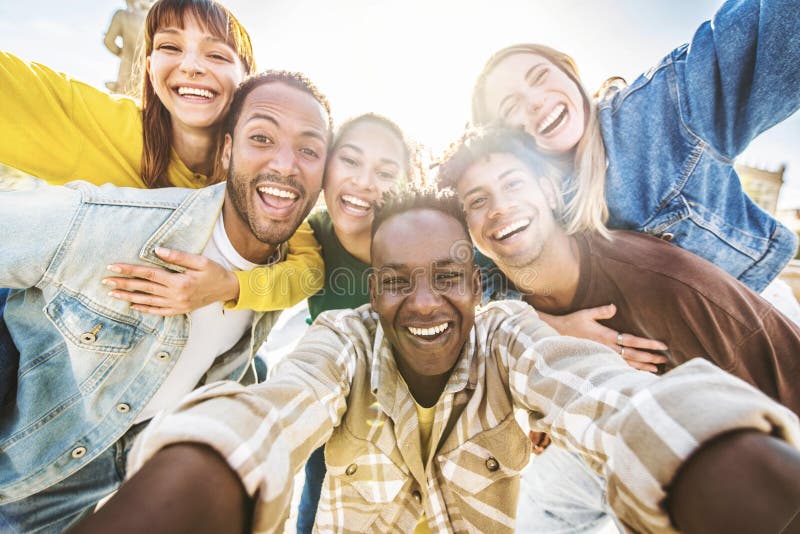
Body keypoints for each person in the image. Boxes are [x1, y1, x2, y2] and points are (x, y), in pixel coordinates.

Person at [72, 189, 800, 534]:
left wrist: (735, 471)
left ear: (476, 284)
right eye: (397, 280)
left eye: (447, 276)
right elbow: (272, 412)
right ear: (373, 289)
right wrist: (189, 479)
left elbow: (611, 401)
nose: (424, 303)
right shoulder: (346, 340)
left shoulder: (508, 334)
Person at [0, 70, 331, 533]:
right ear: (227, 150)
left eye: (309, 150)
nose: (286, 164)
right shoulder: (114, 226)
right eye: (262, 138)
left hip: (106, 494)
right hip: (17, 481)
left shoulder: (278, 276)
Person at [438, 125, 800, 532]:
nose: (500, 208)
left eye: (513, 184)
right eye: (478, 200)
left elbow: (780, 370)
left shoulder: (661, 283)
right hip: (606, 448)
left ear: (550, 192)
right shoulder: (511, 297)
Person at [0, 0, 324, 401]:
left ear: (245, 80)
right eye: (171, 47)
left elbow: (309, 267)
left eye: (216, 54)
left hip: (174, 365)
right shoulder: (105, 126)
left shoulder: (252, 173)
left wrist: (230, 286)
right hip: (48, 342)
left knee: (250, 368)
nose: (191, 65)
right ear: (150, 65)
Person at [470, 0, 800, 347]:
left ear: (569, 73)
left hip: (756, 322)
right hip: (668, 366)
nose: (535, 101)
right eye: (510, 106)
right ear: (503, 138)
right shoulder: (518, 202)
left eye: (540, 77)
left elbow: (770, 27)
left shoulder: (661, 110)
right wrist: (552, 325)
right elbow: (477, 281)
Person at [297, 113, 416, 533]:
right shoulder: (307, 235)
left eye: (385, 172)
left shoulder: (426, 243)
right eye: (350, 161)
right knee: (314, 517)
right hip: (333, 423)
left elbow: (498, 293)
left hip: (409, 428)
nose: (364, 182)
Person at [103, 0, 152, 95]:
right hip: (147, 76)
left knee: (122, 100)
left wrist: (122, 53)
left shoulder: (122, 15)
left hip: (125, 73)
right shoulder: (155, 20)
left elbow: (108, 41)